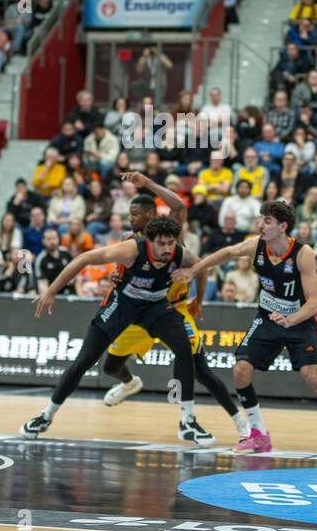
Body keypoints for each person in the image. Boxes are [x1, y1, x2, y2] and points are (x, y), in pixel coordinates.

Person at [174, 200, 317, 454]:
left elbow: (314, 302)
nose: (260, 224)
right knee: (240, 371)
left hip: (299, 320)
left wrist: (290, 320)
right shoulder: (255, 246)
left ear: (282, 226)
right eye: (260, 219)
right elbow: (227, 253)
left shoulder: (303, 254)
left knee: (311, 376)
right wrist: (194, 269)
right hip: (267, 318)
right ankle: (258, 432)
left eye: (267, 221)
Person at [22, 215, 214, 446]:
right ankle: (46, 416)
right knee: (84, 360)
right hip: (123, 304)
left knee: (185, 348)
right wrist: (51, 291)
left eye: (170, 243)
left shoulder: (181, 254)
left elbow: (202, 267)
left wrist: (199, 299)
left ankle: (188, 422)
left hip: (155, 306)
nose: (166, 248)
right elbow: (84, 258)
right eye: (161, 243)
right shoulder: (132, 250)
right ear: (149, 241)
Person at [98, 173, 248, 439]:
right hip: (139, 312)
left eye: (135, 213)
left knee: (199, 368)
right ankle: (130, 383)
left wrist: (198, 300)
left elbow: (181, 214)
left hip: (173, 310)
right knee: (110, 367)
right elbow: (122, 276)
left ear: (150, 214)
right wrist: (116, 278)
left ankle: (238, 422)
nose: (130, 218)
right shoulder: (129, 242)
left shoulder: (169, 239)